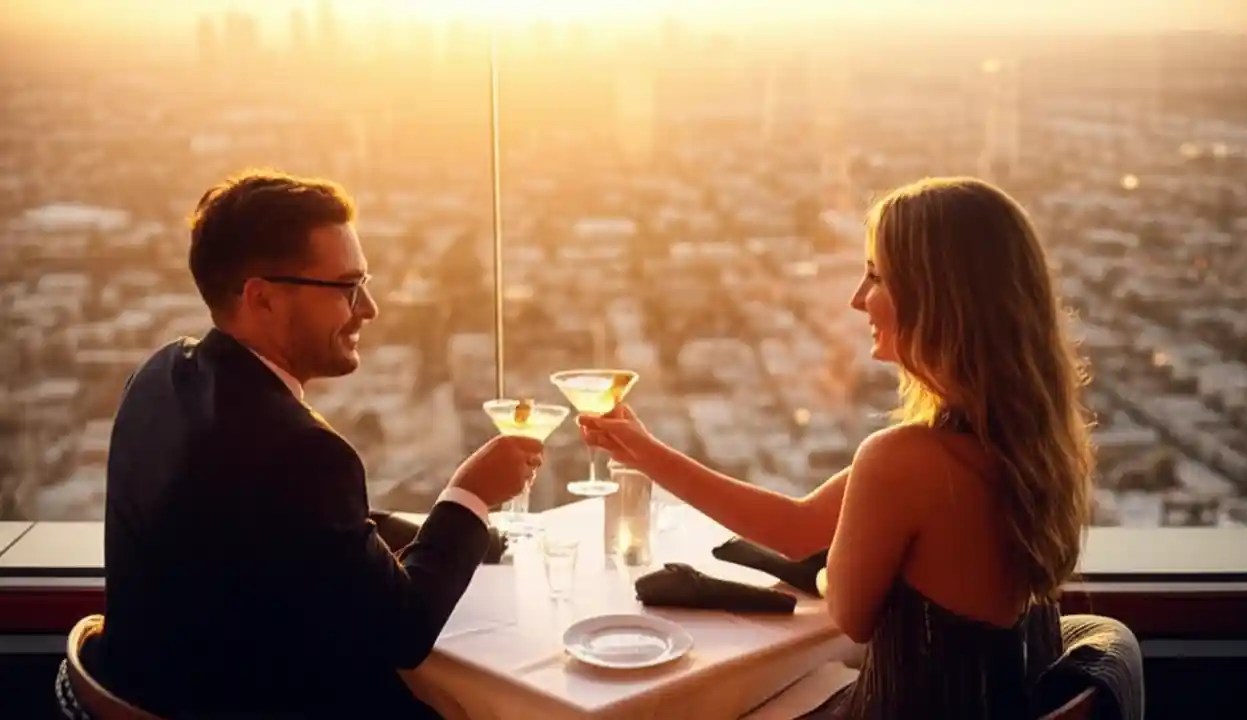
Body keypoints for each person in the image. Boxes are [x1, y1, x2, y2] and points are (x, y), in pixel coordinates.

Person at [581, 177, 1094, 718]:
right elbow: (799, 527)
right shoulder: (1030, 443)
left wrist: (834, 571)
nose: (856, 299)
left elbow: (850, 613)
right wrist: (644, 451)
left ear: (936, 298)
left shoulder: (905, 458)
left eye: (875, 276)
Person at [98, 169, 543, 719]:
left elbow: (295, 531)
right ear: (261, 299)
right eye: (346, 287)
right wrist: (472, 495)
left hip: (154, 690)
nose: (369, 307)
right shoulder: (300, 451)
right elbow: (404, 630)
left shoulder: (161, 376)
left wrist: (444, 534)